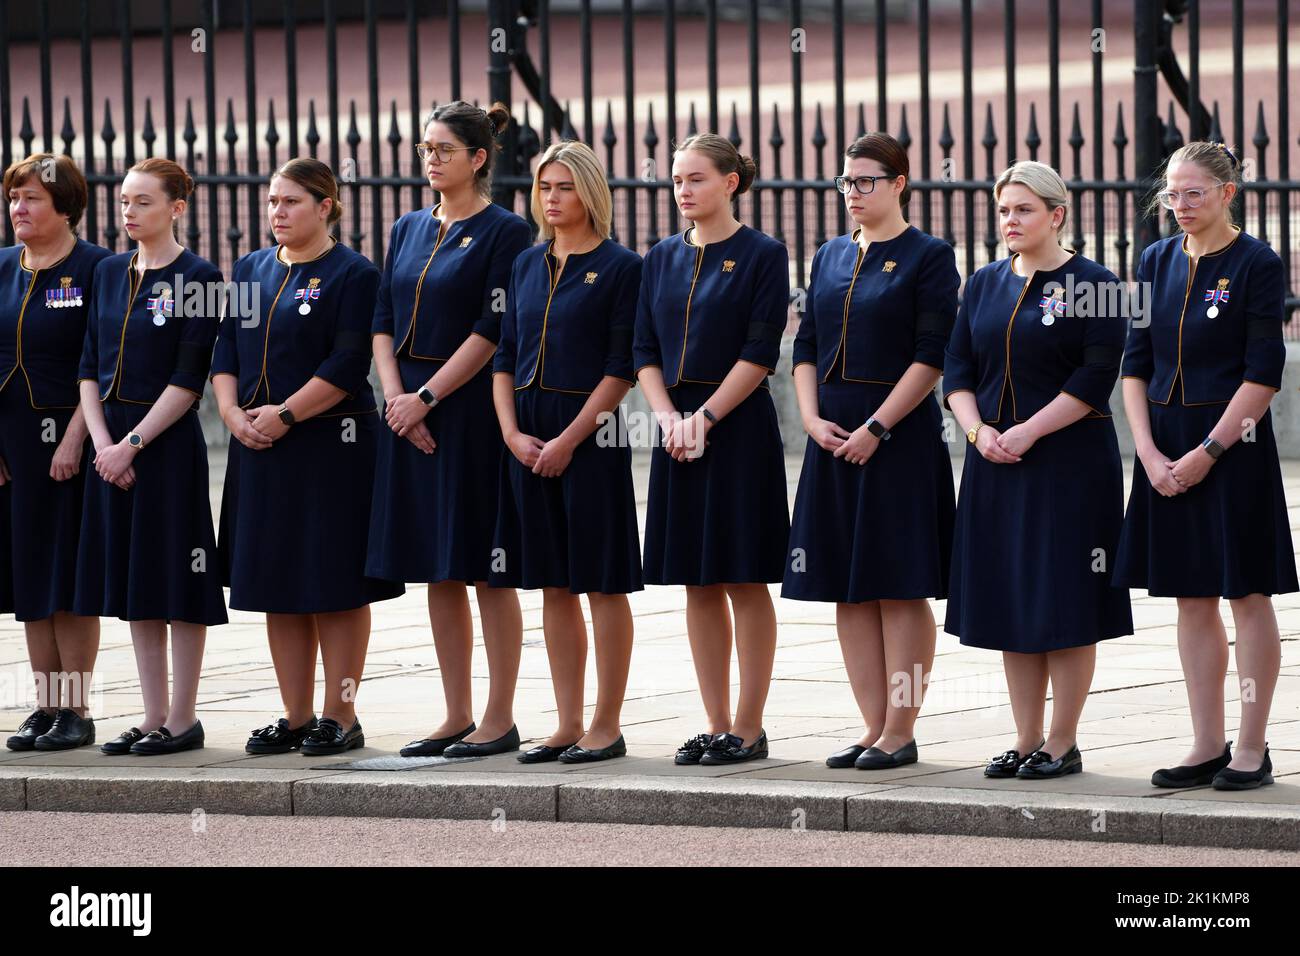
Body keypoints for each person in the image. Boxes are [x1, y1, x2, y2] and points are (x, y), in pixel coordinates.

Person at [942, 160, 1133, 780]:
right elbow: (958, 369)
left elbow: (1095, 375)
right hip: (994, 462)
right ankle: (1025, 738)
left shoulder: (1094, 282)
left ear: (1057, 215)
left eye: (1023, 210)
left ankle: (1062, 741)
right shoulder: (985, 283)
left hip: (1068, 466)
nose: (1010, 222)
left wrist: (1028, 430)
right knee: (1011, 601)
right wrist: (978, 432)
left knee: (1066, 600)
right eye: (1003, 211)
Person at [1116, 140, 1296, 791]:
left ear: (1228, 192)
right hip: (1163, 445)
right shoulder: (1153, 260)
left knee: (1247, 592)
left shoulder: (1256, 263)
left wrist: (1208, 452)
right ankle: (1205, 743)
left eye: (1195, 192)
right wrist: (1149, 451)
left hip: (1232, 448)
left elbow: (1264, 373)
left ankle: (1251, 747)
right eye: (1173, 192)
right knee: (1189, 597)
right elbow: (1135, 363)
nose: (1181, 205)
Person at [212, 158, 403, 757]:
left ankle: (339, 715)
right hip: (260, 447)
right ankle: (295, 715)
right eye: (272, 202)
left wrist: (286, 414)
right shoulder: (251, 268)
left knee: (335, 585)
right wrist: (232, 414)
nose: (277, 213)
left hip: (330, 447)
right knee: (277, 580)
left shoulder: (354, 274)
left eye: (291, 202)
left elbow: (347, 365)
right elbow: (224, 350)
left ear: (326, 206)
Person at [784, 133, 958, 770]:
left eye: (866, 181)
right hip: (831, 435)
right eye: (846, 182)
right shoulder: (828, 255)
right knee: (846, 588)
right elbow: (805, 345)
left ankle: (901, 729)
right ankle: (871, 725)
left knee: (897, 585)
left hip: (896, 437)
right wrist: (810, 417)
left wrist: (878, 428)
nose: (854, 193)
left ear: (899, 183)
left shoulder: (929, 256)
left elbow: (931, 354)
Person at [366, 101, 532, 759]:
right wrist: (397, 398)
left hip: (466, 414)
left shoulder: (505, 232)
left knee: (487, 567)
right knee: (438, 569)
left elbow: (494, 329)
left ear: (478, 159)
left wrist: (429, 397)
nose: (430, 159)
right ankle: (455, 712)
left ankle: (499, 717)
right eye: (426, 148)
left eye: (443, 149)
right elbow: (382, 315)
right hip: (406, 413)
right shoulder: (408, 226)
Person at [633, 132, 790, 766]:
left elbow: (761, 351)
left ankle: (749, 728)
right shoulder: (660, 258)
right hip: (677, 432)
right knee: (696, 582)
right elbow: (643, 350)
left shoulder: (763, 254)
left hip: (736, 428)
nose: (683, 191)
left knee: (743, 578)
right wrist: (670, 417)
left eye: (696, 179)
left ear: (730, 182)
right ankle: (717, 722)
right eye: (676, 180)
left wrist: (705, 417)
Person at [491, 140, 642, 764]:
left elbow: (620, 367)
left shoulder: (620, 266)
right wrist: (510, 433)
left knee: (601, 583)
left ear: (590, 193)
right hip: (525, 433)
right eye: (544, 188)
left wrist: (568, 440)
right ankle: (565, 722)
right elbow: (503, 355)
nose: (552, 199)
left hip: (590, 434)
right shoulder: (526, 265)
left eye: (564, 188)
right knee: (552, 583)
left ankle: (606, 724)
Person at [75, 158, 227, 755]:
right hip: (109, 445)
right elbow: (88, 365)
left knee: (177, 578)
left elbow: (189, 378)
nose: (130, 213)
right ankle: (152, 713)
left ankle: (184, 718)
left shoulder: (200, 277)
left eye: (143, 202)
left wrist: (132, 442)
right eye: (124, 203)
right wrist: (103, 443)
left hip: (161, 447)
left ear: (176, 208)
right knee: (137, 581)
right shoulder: (110, 272)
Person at [1, 154, 109, 751]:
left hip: (65, 440)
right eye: (13, 198)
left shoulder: (97, 269)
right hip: (9, 442)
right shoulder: (1, 268)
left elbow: (97, 361)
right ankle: (44, 705)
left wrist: (75, 439)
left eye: (32, 199)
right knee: (27, 579)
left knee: (64, 576)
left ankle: (76, 708)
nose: (18, 209)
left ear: (65, 205)